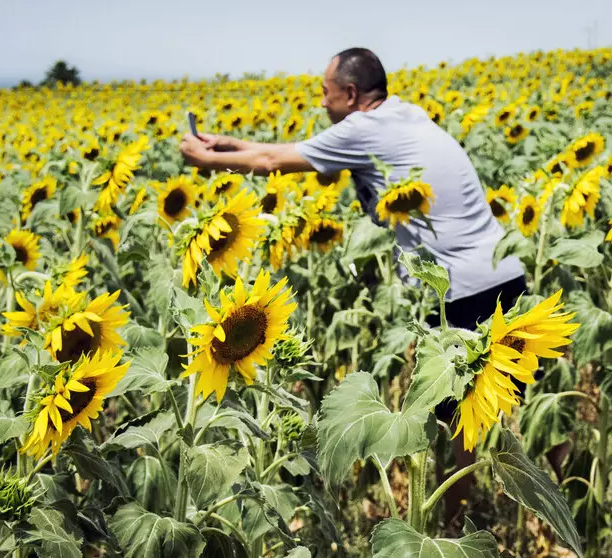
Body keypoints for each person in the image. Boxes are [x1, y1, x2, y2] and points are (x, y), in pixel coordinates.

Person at [180, 47, 527, 518]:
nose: (321, 103)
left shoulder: (362, 130)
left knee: (452, 417)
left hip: (455, 286)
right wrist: (225, 144)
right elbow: (277, 152)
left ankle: (457, 520)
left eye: (325, 93)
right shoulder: (405, 116)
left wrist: (205, 159)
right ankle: (540, 502)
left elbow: (272, 161)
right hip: (503, 269)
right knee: (523, 400)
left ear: (349, 93)